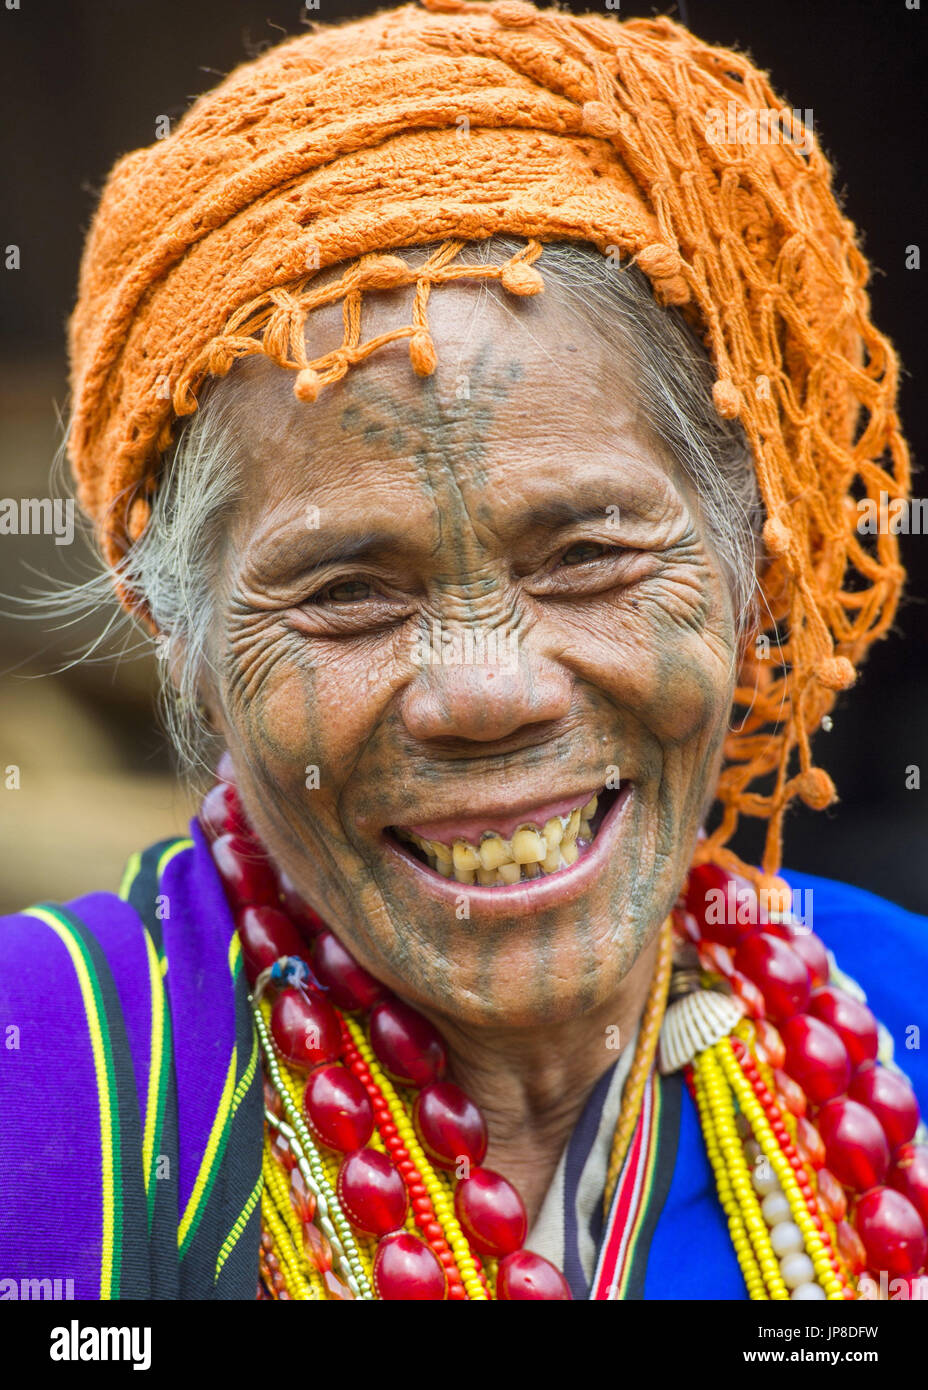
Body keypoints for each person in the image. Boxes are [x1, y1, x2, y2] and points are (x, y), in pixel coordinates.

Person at [1, 0, 925, 1302]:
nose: (488, 688)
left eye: (589, 556)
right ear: (184, 638)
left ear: (753, 561)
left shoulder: (900, 1030)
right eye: (345, 590)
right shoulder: (38, 1098)